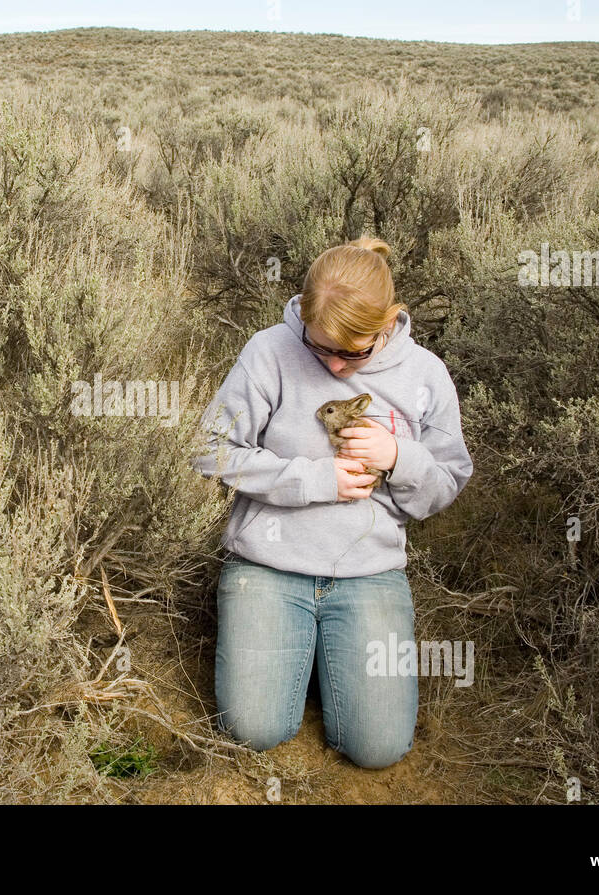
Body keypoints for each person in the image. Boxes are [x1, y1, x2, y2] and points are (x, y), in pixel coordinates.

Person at [190, 235, 473, 767]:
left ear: (389, 322)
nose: (337, 366)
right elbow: (209, 451)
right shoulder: (270, 350)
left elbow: (445, 485)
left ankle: (327, 661)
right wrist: (314, 480)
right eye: (320, 347)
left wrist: (398, 456)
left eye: (354, 351)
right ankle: (297, 654)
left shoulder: (426, 375)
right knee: (253, 729)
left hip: (369, 572)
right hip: (267, 565)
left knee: (379, 747)